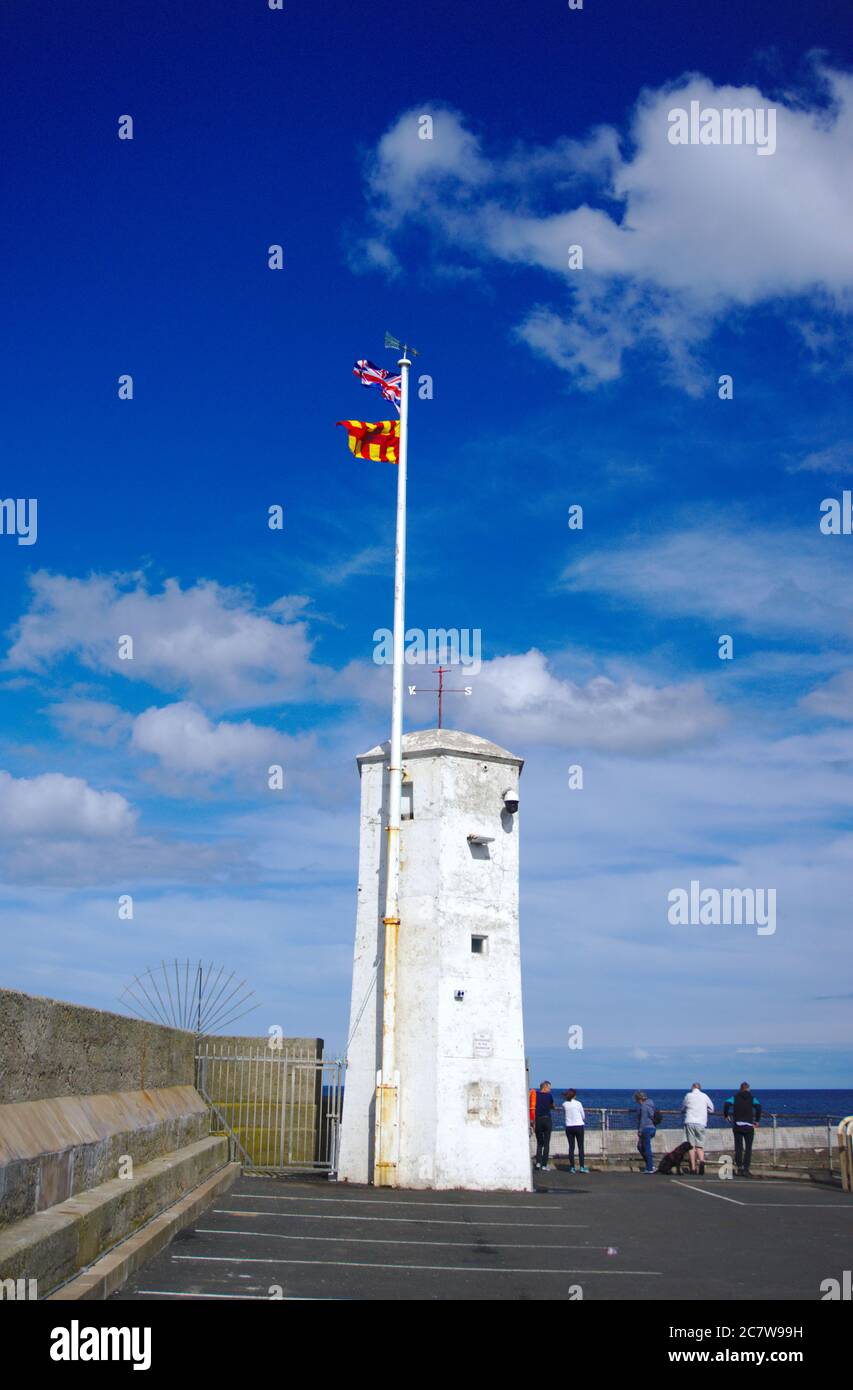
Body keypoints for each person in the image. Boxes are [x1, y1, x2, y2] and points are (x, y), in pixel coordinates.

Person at [723, 1082, 762, 1176]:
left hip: (738, 1125)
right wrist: (757, 1120)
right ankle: (746, 1168)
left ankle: (739, 1168)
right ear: (749, 1089)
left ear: (740, 1088)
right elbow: (759, 1107)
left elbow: (726, 1104)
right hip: (749, 1125)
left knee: (739, 1147)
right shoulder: (752, 1098)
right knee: (748, 1148)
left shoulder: (735, 1097)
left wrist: (726, 1115)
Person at [681, 1081, 714, 1174]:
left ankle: (693, 1168)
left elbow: (683, 1107)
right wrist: (704, 1109)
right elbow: (712, 1108)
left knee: (691, 1147)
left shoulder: (688, 1095)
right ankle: (702, 1161)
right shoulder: (704, 1096)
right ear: (700, 1088)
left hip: (690, 1121)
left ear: (692, 1088)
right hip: (701, 1123)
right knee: (699, 1146)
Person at [562, 1088, 588, 1172]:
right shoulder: (578, 1103)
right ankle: (582, 1167)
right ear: (574, 1095)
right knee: (580, 1147)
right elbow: (583, 1115)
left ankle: (572, 1167)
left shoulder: (564, 1104)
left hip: (569, 1127)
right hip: (579, 1126)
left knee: (571, 1147)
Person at [532, 1080, 556, 1170]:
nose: (550, 1090)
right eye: (549, 1088)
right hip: (547, 1119)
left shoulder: (536, 1095)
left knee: (539, 1143)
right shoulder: (549, 1096)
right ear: (545, 1087)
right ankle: (544, 1165)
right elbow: (552, 1106)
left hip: (538, 1120)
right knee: (546, 1143)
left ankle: (538, 1163)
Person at [634, 1090, 657, 1173]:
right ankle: (650, 1165)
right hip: (652, 1128)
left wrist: (640, 1131)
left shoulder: (643, 1106)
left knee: (646, 1148)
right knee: (640, 1146)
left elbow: (643, 1120)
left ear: (639, 1099)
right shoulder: (651, 1104)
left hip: (646, 1129)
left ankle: (650, 1168)